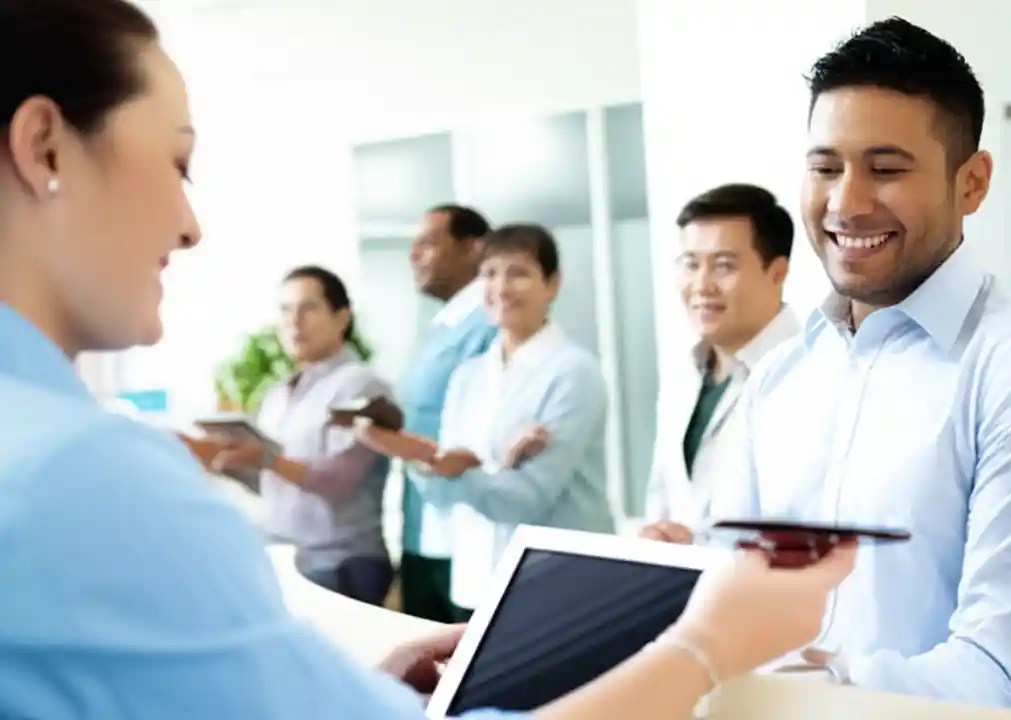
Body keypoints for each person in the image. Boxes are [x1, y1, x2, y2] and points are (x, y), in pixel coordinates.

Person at [0, 1, 858, 718]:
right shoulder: (85, 475)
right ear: (44, 147)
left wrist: (345, 695)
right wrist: (703, 648)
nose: (192, 225)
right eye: (177, 162)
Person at [713, 17, 1011, 708]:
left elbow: (998, 669)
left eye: (886, 169)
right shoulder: (780, 378)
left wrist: (817, 679)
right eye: (825, 167)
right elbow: (723, 604)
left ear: (973, 183)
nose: (846, 202)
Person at [358, 224, 615, 612]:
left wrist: (460, 468)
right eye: (490, 274)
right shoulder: (469, 376)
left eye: (519, 273)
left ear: (553, 283)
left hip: (556, 586)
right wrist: (433, 461)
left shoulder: (574, 373)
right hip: (478, 583)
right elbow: (440, 495)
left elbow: (526, 498)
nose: (501, 288)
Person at [208, 265, 396, 606]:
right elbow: (275, 483)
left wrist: (266, 458)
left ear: (342, 318)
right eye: (285, 309)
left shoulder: (361, 385)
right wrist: (231, 462)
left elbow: (339, 482)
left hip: (340, 564)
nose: (293, 321)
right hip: (287, 557)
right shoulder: (279, 393)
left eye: (308, 308)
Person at [641, 183, 799, 544]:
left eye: (723, 266)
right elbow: (663, 498)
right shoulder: (685, 374)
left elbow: (808, 523)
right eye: (691, 264)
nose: (701, 284)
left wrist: (698, 547)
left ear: (777, 273)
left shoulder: (808, 376)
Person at [399, 203, 499, 622]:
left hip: (465, 537)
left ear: (473, 249)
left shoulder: (487, 325)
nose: (414, 255)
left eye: (428, 242)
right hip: (424, 530)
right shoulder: (444, 326)